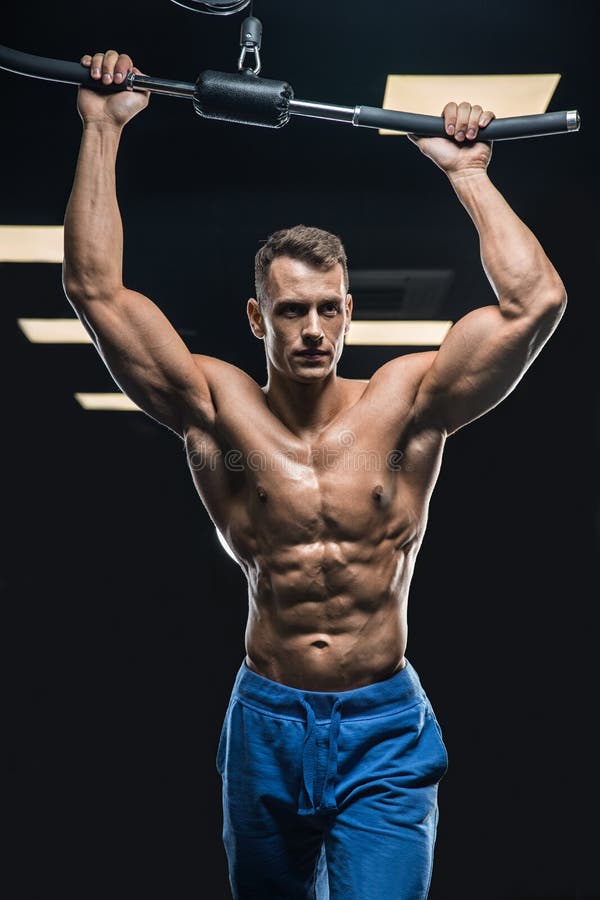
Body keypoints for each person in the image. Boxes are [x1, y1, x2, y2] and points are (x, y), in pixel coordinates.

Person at [62, 50, 567, 900]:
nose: (313, 329)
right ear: (260, 316)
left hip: (383, 728)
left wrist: (470, 175)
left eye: (329, 308)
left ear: (349, 311)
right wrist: (102, 128)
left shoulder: (408, 403)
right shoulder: (216, 409)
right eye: (292, 310)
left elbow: (535, 302)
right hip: (266, 721)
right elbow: (95, 290)